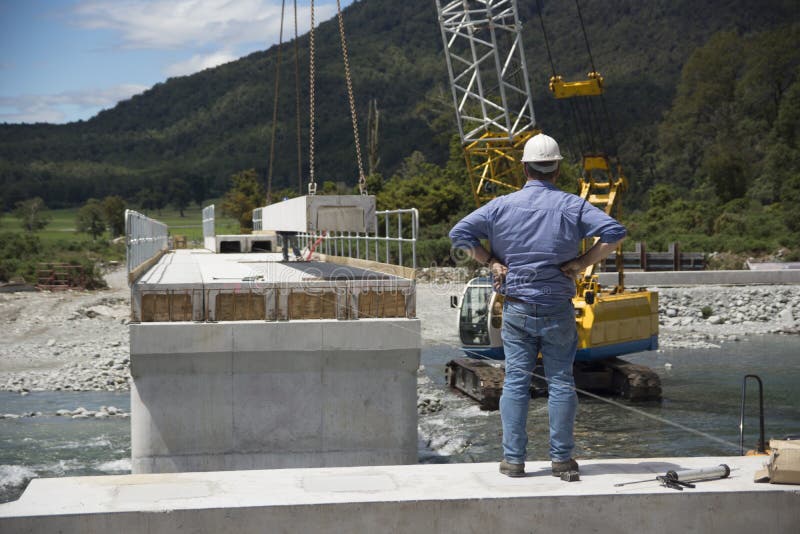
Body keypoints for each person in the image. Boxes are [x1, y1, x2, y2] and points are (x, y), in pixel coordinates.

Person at [449, 133, 626, 478]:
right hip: (557, 307)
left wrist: (490, 262)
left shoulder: (501, 206)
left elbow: (460, 234)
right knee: (560, 381)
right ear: (556, 169)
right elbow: (615, 233)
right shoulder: (572, 205)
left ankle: (513, 461)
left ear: (525, 168)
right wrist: (582, 261)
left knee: (516, 381)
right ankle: (561, 459)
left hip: (516, 307)